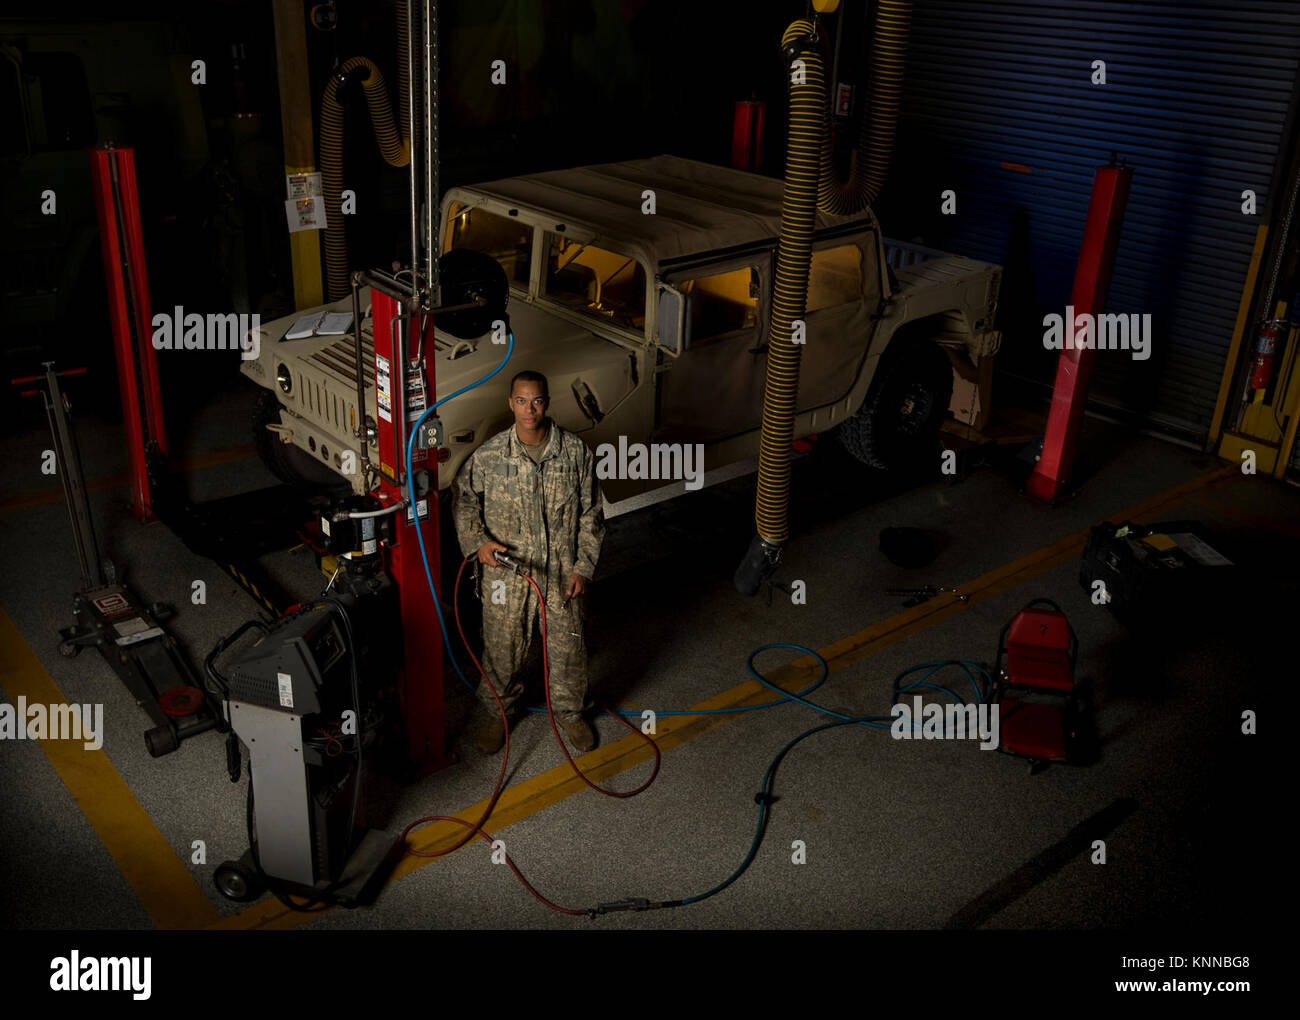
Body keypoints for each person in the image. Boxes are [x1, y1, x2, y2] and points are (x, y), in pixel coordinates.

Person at [451, 370, 606, 754]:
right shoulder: (489, 456)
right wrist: (478, 544)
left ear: (547, 402)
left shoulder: (574, 453)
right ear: (511, 403)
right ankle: (497, 712)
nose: (529, 409)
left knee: (568, 646)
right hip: (506, 573)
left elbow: (592, 515)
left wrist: (583, 567)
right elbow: (465, 498)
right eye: (521, 400)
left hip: (560, 572)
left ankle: (571, 713)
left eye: (536, 400)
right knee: (502, 647)